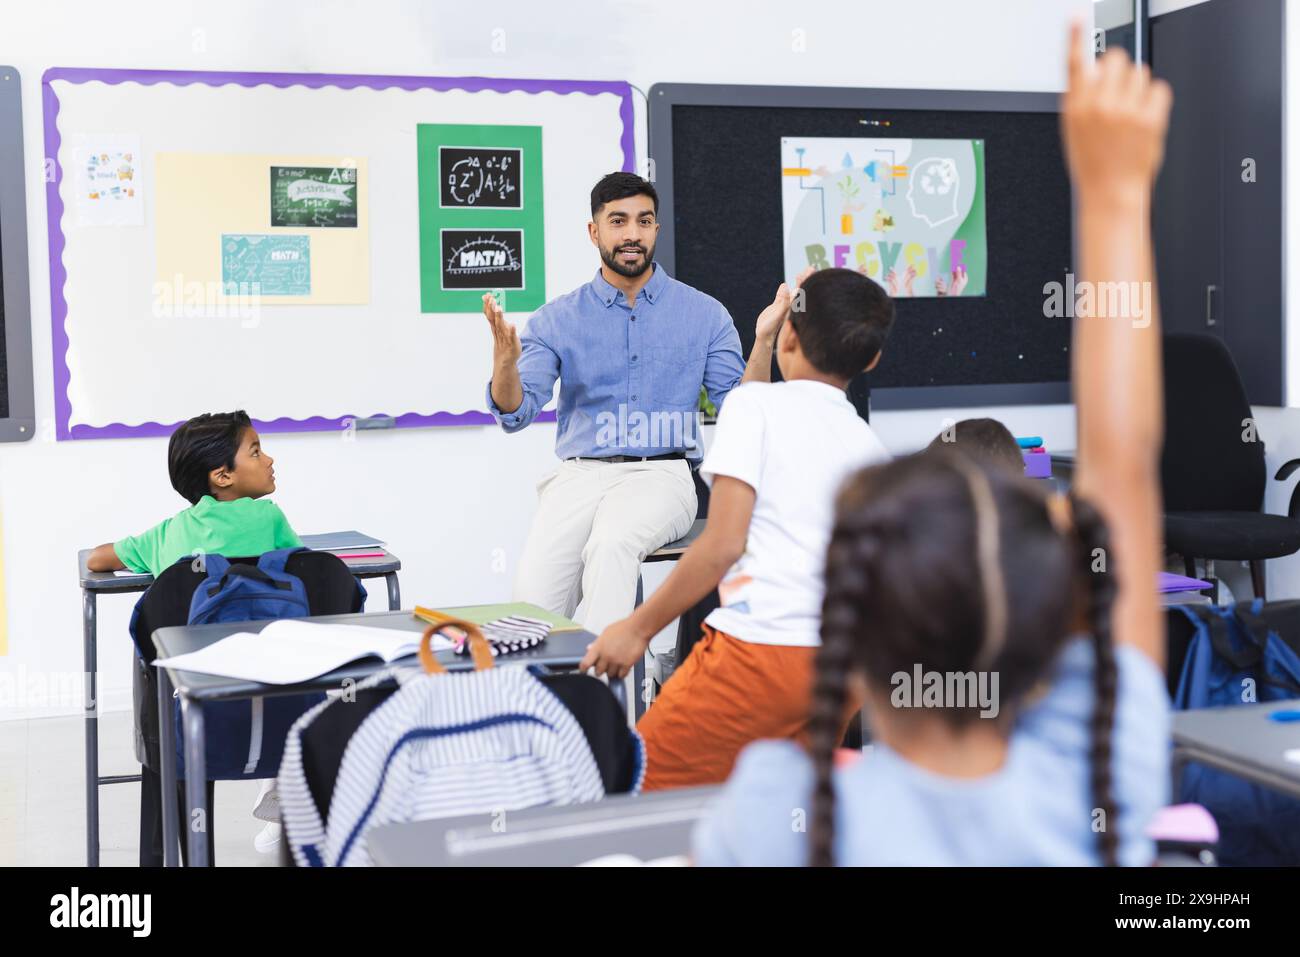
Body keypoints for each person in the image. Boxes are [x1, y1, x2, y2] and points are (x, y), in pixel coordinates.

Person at [693, 22, 1172, 865]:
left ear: (855, 642)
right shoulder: (1096, 780)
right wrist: (1115, 197)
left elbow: (1118, 476)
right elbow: (1124, 470)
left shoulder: (775, 808)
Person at [581, 267, 894, 790]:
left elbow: (724, 544)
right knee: (776, 808)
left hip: (759, 659)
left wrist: (635, 630)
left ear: (790, 336)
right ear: (871, 359)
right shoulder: (869, 448)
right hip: (842, 669)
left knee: (637, 787)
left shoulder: (755, 407)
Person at [483, 172, 776, 633]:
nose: (632, 234)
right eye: (618, 221)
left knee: (612, 544)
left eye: (644, 221)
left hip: (663, 472)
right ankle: (544, 701)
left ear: (656, 229)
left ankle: (609, 690)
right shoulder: (557, 318)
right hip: (579, 475)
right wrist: (505, 364)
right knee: (527, 614)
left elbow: (743, 411)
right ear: (594, 231)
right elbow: (516, 413)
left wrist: (763, 343)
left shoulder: (704, 313)